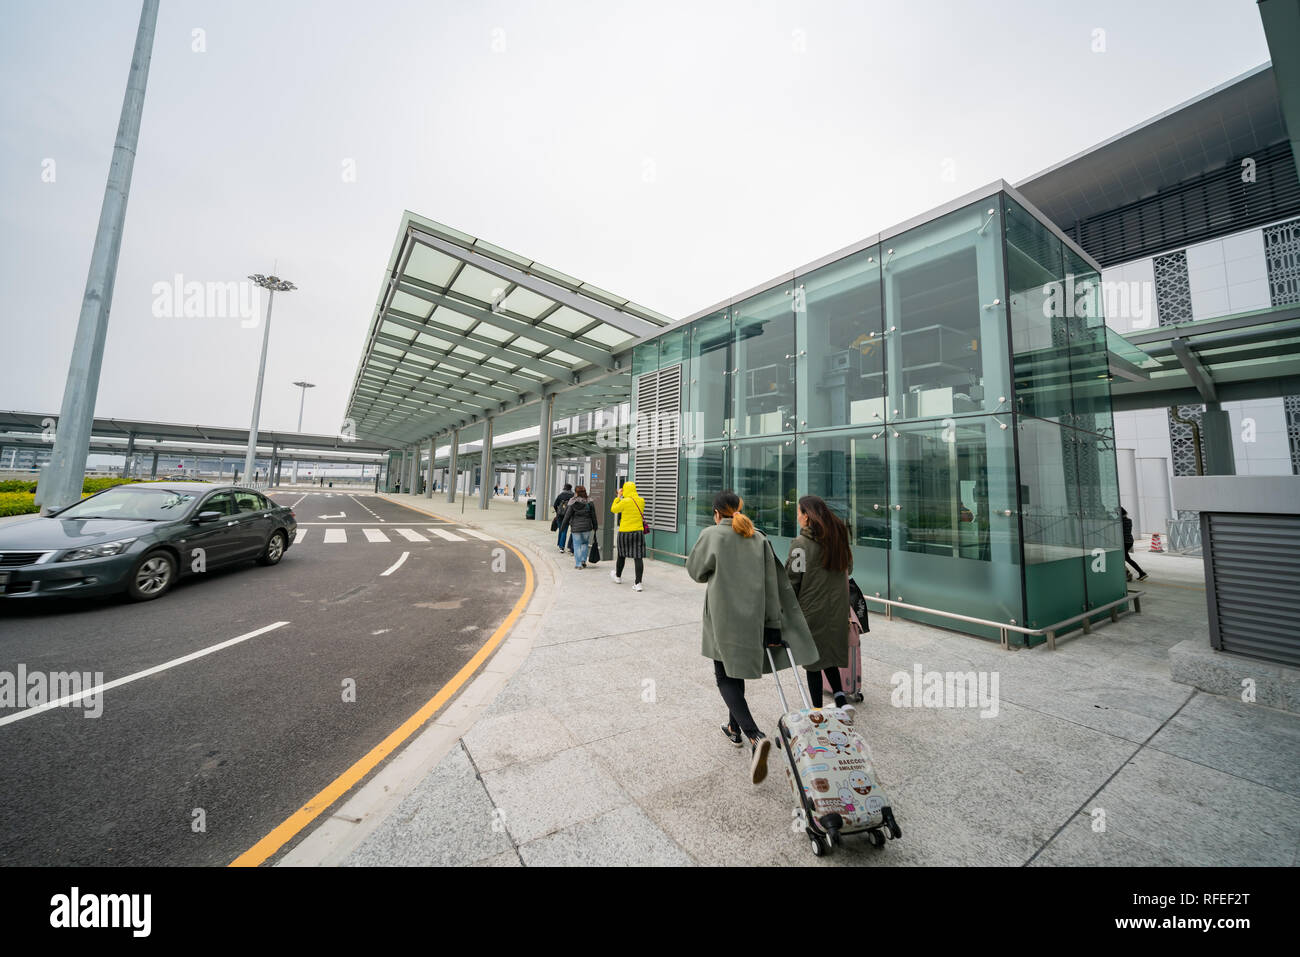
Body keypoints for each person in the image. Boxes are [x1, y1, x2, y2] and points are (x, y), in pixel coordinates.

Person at [687, 490, 817, 784]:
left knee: (724, 676)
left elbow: (695, 572)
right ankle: (734, 730)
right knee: (737, 671)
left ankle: (754, 735)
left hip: (723, 618)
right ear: (739, 508)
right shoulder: (758, 537)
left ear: (716, 512)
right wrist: (773, 624)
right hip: (756, 618)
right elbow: (774, 583)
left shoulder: (712, 535)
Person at [786, 495, 856, 721]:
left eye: (798, 512)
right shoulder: (838, 540)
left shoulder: (801, 545)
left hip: (811, 612)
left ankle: (816, 712)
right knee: (828, 657)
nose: (797, 516)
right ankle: (841, 701)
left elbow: (791, 581)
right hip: (836, 611)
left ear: (806, 516)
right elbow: (849, 569)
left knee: (813, 663)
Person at [609, 480, 647, 591]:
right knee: (638, 557)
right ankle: (638, 583)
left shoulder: (624, 501)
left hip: (625, 531)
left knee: (621, 554)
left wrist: (618, 496)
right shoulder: (641, 501)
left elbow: (614, 509)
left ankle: (618, 576)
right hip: (638, 532)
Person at [559, 485, 598, 568]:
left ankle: (578, 564)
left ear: (576, 493)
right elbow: (593, 516)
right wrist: (595, 526)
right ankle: (583, 560)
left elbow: (567, 516)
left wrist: (562, 527)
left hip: (576, 528)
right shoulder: (589, 501)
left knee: (577, 545)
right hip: (587, 527)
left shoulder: (572, 502)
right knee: (584, 543)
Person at [1122, 507, 1148, 582]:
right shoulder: (1129, 520)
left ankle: (1128, 574)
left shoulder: (1121, 522)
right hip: (1129, 541)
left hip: (1124, 542)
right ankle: (1141, 573)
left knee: (1122, 559)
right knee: (1126, 558)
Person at [553, 483, 575, 552]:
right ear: (570, 489)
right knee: (564, 530)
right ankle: (561, 546)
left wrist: (557, 512)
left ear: (564, 488)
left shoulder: (560, 495)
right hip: (568, 515)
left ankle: (561, 546)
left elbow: (555, 505)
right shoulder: (573, 496)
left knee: (561, 530)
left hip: (560, 516)